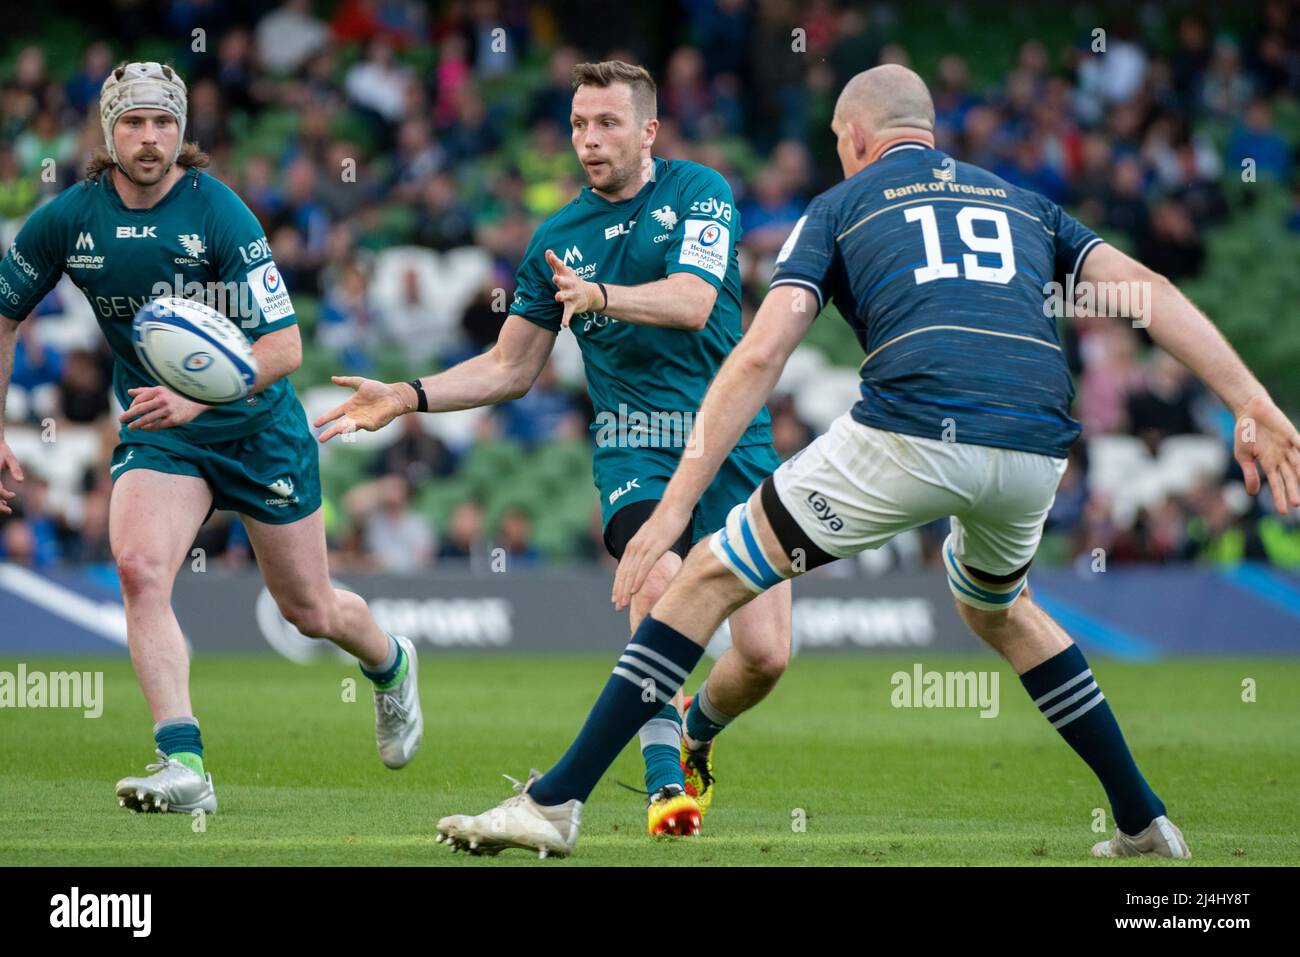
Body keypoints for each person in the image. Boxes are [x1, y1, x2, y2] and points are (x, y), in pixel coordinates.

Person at [433, 65, 1300, 859]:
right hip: (1040, 443)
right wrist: (1251, 401)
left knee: (700, 577)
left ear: (852, 138)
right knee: (1002, 609)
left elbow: (760, 355)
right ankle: (1143, 820)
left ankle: (553, 803)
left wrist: (674, 504)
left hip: (912, 429)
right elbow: (1141, 292)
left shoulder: (841, 207)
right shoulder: (1024, 202)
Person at [316, 60, 793, 837]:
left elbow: (693, 300)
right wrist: (406, 396)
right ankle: (660, 782)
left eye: (607, 123)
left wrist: (601, 296)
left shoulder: (699, 191)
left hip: (732, 441)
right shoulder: (556, 237)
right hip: (634, 447)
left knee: (767, 655)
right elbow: (510, 367)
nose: (589, 139)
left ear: (648, 129)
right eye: (578, 124)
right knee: (658, 569)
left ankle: (695, 728)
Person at [0, 62, 423, 817]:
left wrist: (200, 399)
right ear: (108, 131)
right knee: (137, 567)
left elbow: (287, 348)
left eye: (165, 121)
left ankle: (391, 665)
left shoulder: (220, 213)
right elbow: (4, 316)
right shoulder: (68, 219)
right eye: (134, 122)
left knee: (311, 610)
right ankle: (184, 757)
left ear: (183, 130)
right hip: (162, 432)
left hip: (258, 428)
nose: (151, 137)